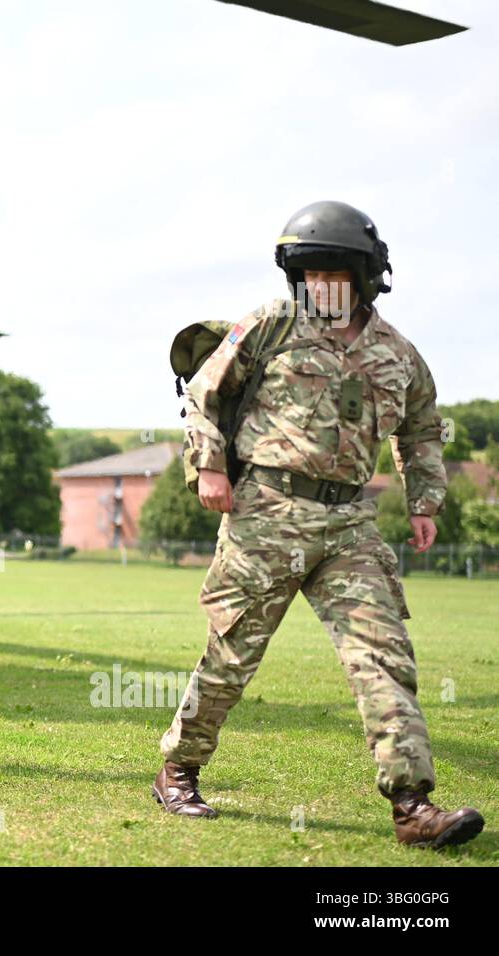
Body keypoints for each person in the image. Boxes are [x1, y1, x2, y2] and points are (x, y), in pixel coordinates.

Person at [154, 201, 485, 849]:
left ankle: (413, 805)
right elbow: (204, 394)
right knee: (233, 654)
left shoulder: (399, 355)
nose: (320, 286)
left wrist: (425, 501)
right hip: (266, 515)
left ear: (365, 278)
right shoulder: (272, 325)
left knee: (383, 657)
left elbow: (421, 432)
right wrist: (210, 467)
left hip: (351, 523)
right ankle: (178, 770)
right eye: (309, 274)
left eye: (334, 272)